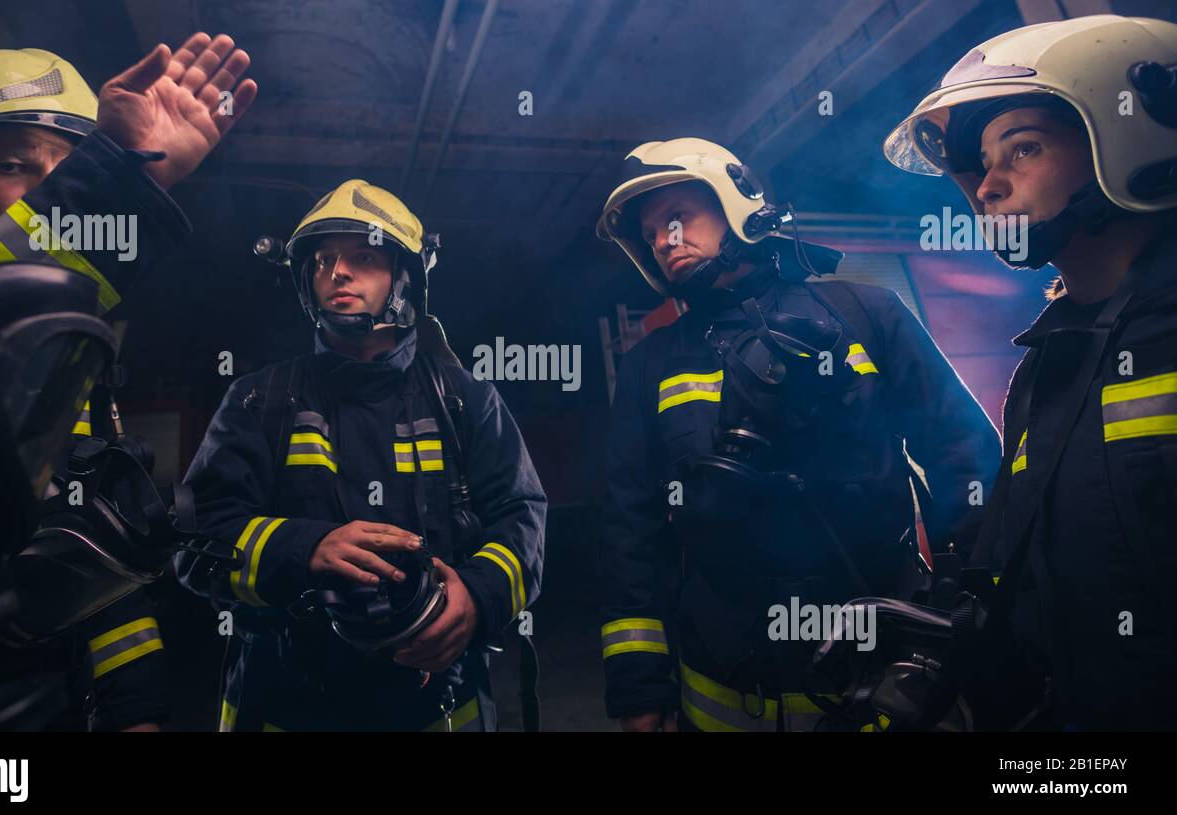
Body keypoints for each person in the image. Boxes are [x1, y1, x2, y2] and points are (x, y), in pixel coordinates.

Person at [0, 34, 256, 730]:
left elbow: (91, 571)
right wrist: (112, 181)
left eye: (66, 170)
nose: (45, 191)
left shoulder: (68, 372)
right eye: (16, 165)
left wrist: (136, 712)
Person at [595, 137, 1001, 731]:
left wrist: (966, 610)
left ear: (736, 203)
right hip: (725, 688)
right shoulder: (649, 364)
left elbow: (964, 457)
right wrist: (637, 686)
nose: (663, 241)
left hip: (879, 666)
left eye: (677, 218)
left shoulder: (868, 313)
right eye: (652, 232)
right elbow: (631, 530)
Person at [883, 13, 1177, 730]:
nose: (986, 187)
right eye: (981, 165)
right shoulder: (1048, 366)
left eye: (1022, 149)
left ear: (1131, 136)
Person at [176, 179, 547, 731]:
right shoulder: (260, 399)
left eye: (364, 257)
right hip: (285, 704)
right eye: (323, 259)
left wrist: (478, 594)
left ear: (403, 279)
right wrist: (305, 548)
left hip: (439, 707)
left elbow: (522, 517)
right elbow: (194, 541)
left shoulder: (465, 398)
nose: (338, 272)